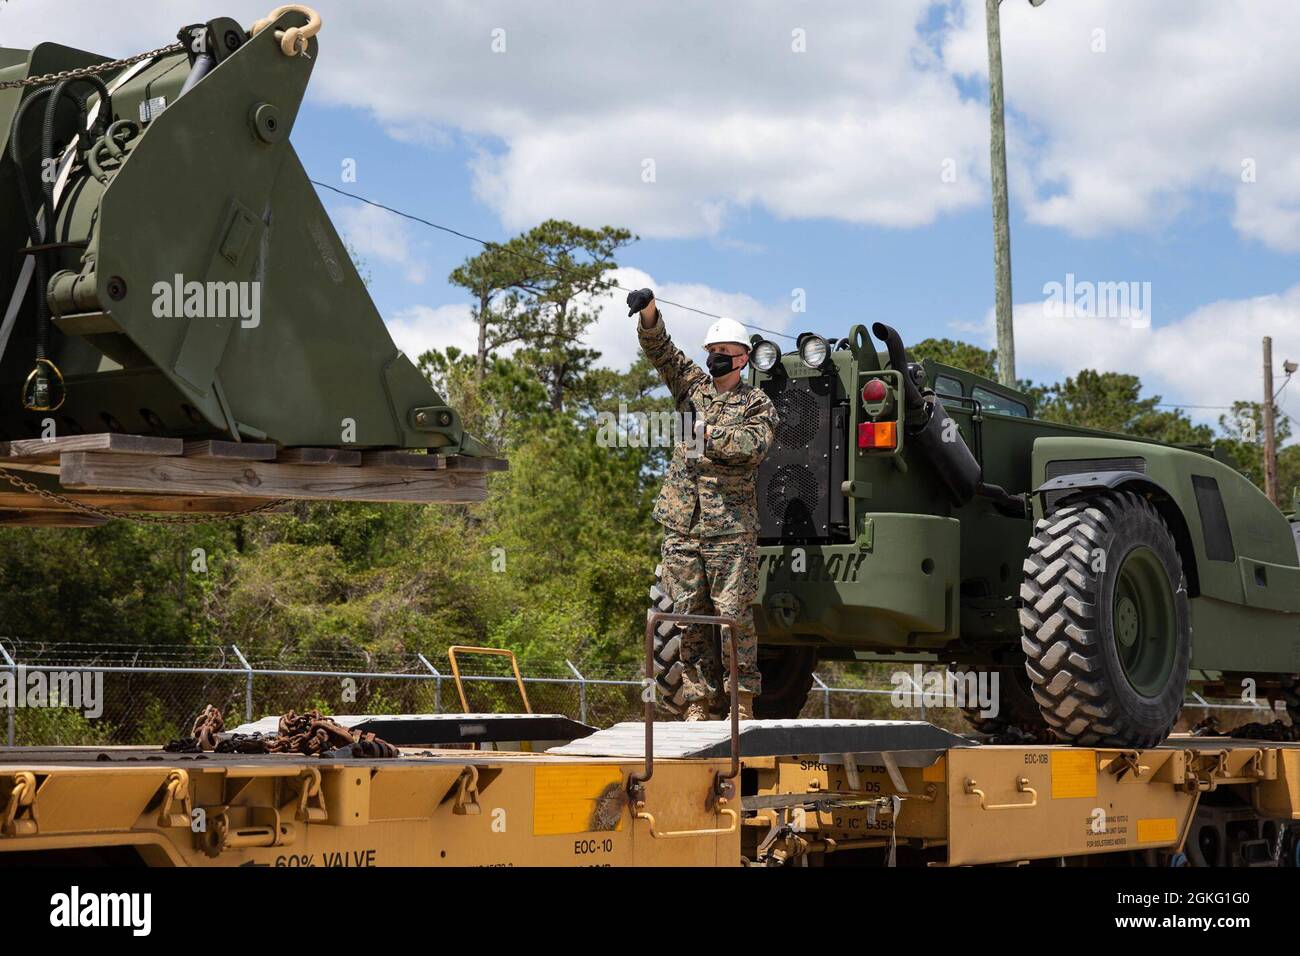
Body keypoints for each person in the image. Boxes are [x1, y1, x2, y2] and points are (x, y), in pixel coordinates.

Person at [629, 287, 779, 721]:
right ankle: (698, 700)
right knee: (686, 615)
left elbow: (753, 446)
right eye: (711, 349)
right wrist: (649, 313)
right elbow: (662, 351)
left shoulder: (756, 403)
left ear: (743, 358)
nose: (715, 357)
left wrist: (708, 436)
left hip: (730, 528)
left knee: (733, 617)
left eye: (724, 351)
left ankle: (741, 701)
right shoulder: (692, 388)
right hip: (682, 523)